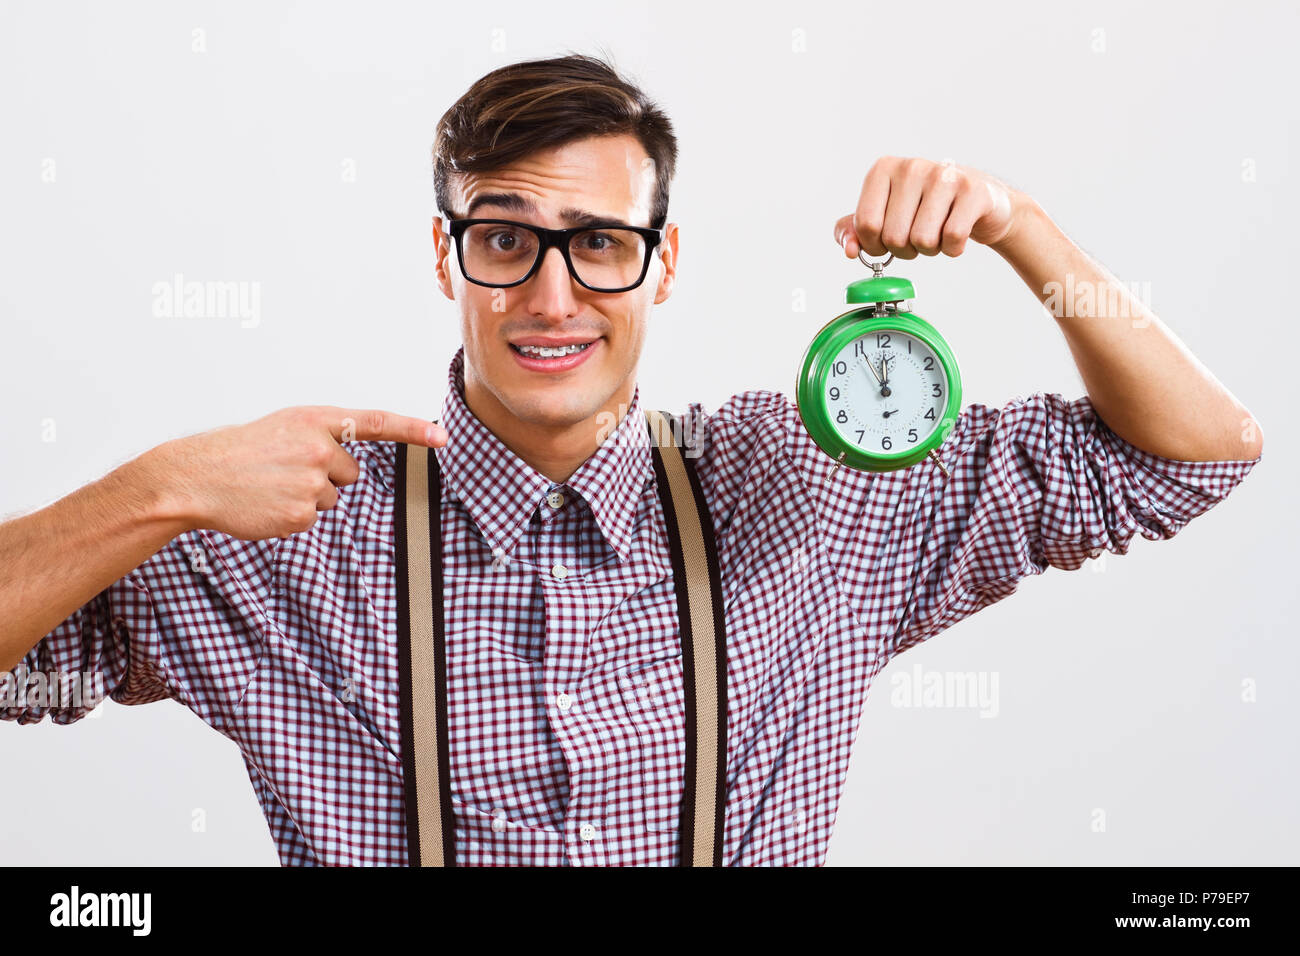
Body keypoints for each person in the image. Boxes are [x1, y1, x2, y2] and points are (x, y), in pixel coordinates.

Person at [0, 52, 1263, 866]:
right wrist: (153, 490)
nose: (552, 294)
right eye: (505, 239)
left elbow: (1196, 455)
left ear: (662, 261)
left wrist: (1020, 230)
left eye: (600, 242)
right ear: (449, 259)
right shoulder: (287, 524)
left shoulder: (805, 480)